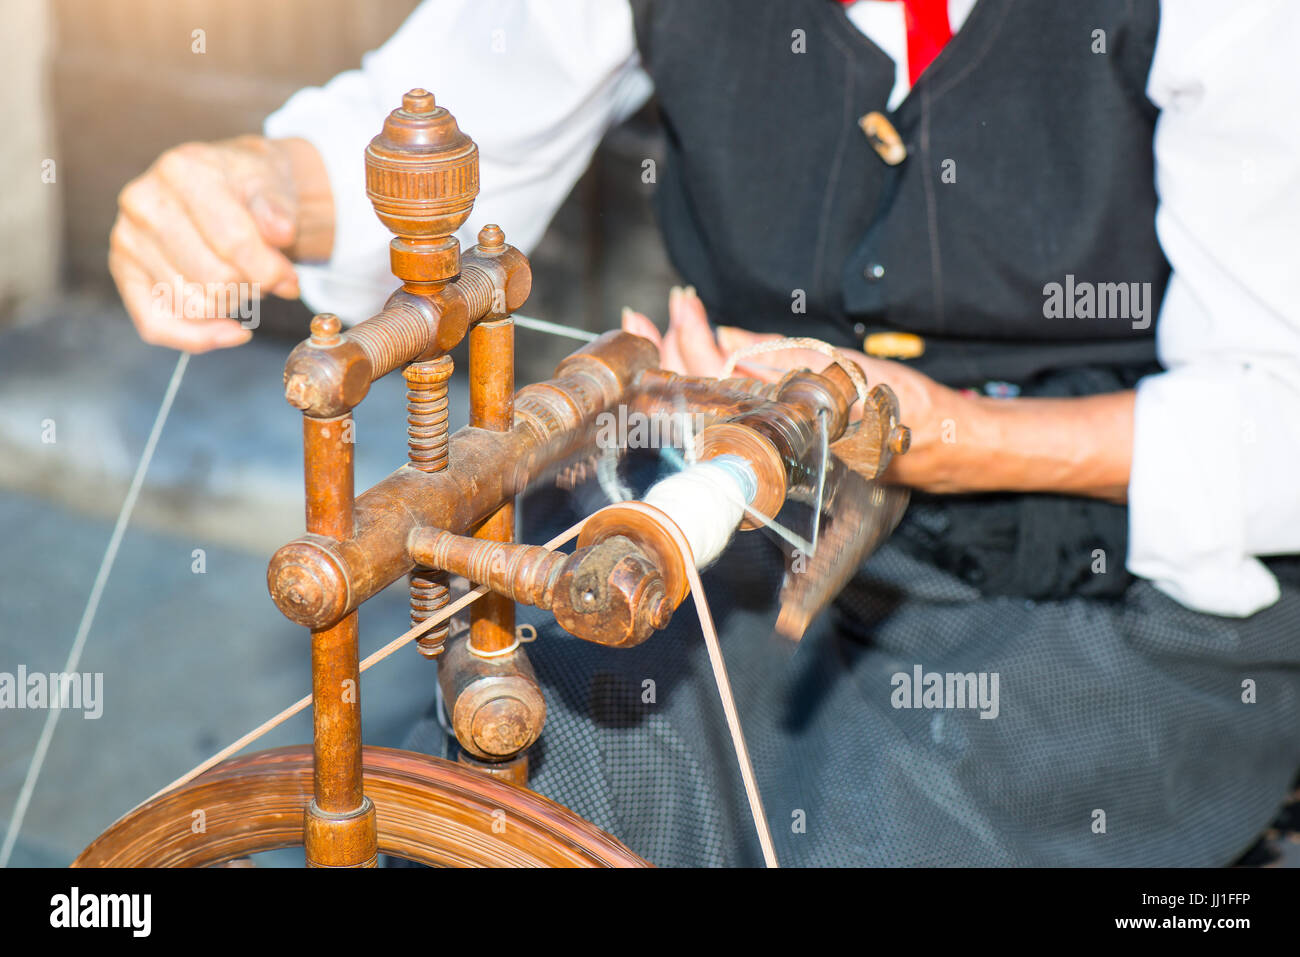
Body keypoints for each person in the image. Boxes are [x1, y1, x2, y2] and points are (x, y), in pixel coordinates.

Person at [109, 0, 1300, 866]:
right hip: (730, 513)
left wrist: (945, 435)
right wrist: (251, 184)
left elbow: (1276, 412)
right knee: (535, 786)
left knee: (894, 838)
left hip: (1092, 566)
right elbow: (433, 120)